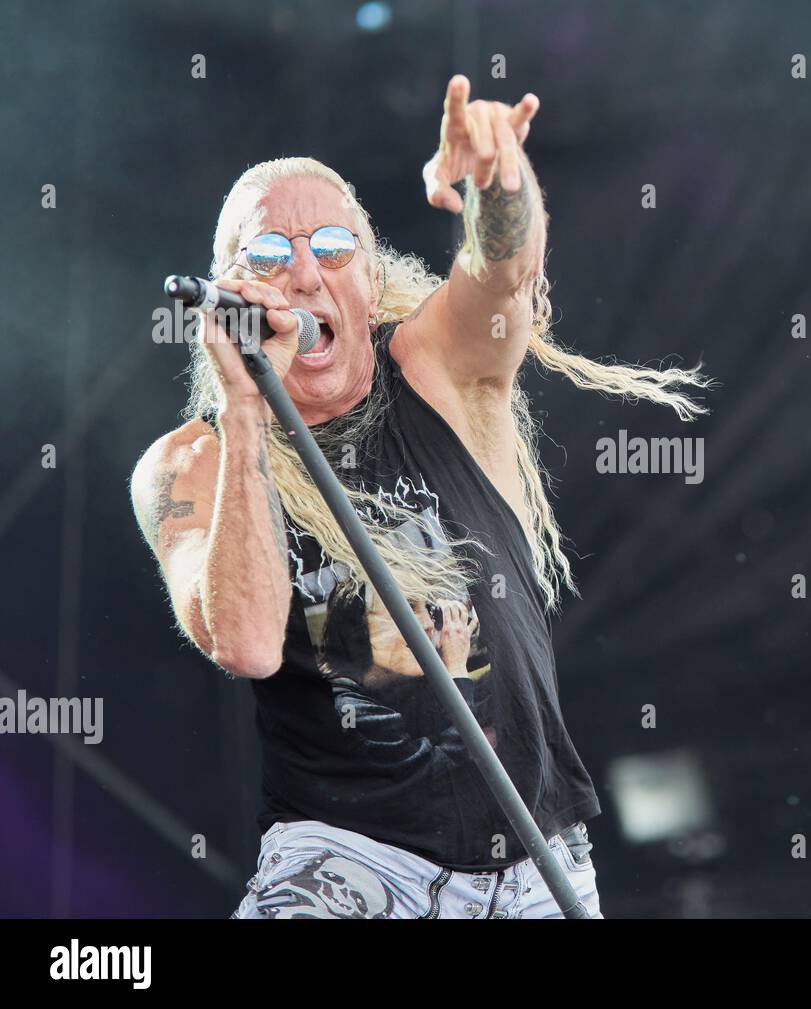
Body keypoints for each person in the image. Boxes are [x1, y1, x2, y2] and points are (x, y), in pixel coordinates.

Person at [129, 76, 711, 918]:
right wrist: (249, 406)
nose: (301, 274)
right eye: (265, 257)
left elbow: (504, 271)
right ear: (230, 297)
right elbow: (248, 644)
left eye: (332, 246)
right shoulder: (193, 461)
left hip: (533, 855)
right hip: (343, 858)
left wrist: (497, 183)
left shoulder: (435, 369)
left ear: (372, 279)